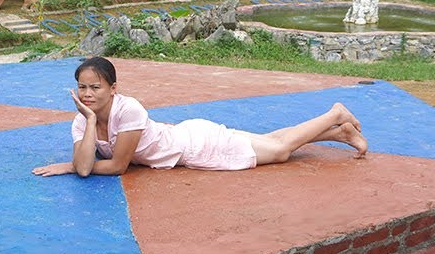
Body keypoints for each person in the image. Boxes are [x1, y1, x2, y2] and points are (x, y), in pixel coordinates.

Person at [31, 57, 367, 178]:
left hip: (196, 146)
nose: (88, 95)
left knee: (279, 151)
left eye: (96, 87)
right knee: (272, 142)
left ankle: (334, 112)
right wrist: (89, 124)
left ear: (113, 88)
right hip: (189, 139)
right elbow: (88, 166)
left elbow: (116, 166)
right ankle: (336, 133)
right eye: (82, 88)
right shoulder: (82, 120)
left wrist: (74, 165)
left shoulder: (128, 110)